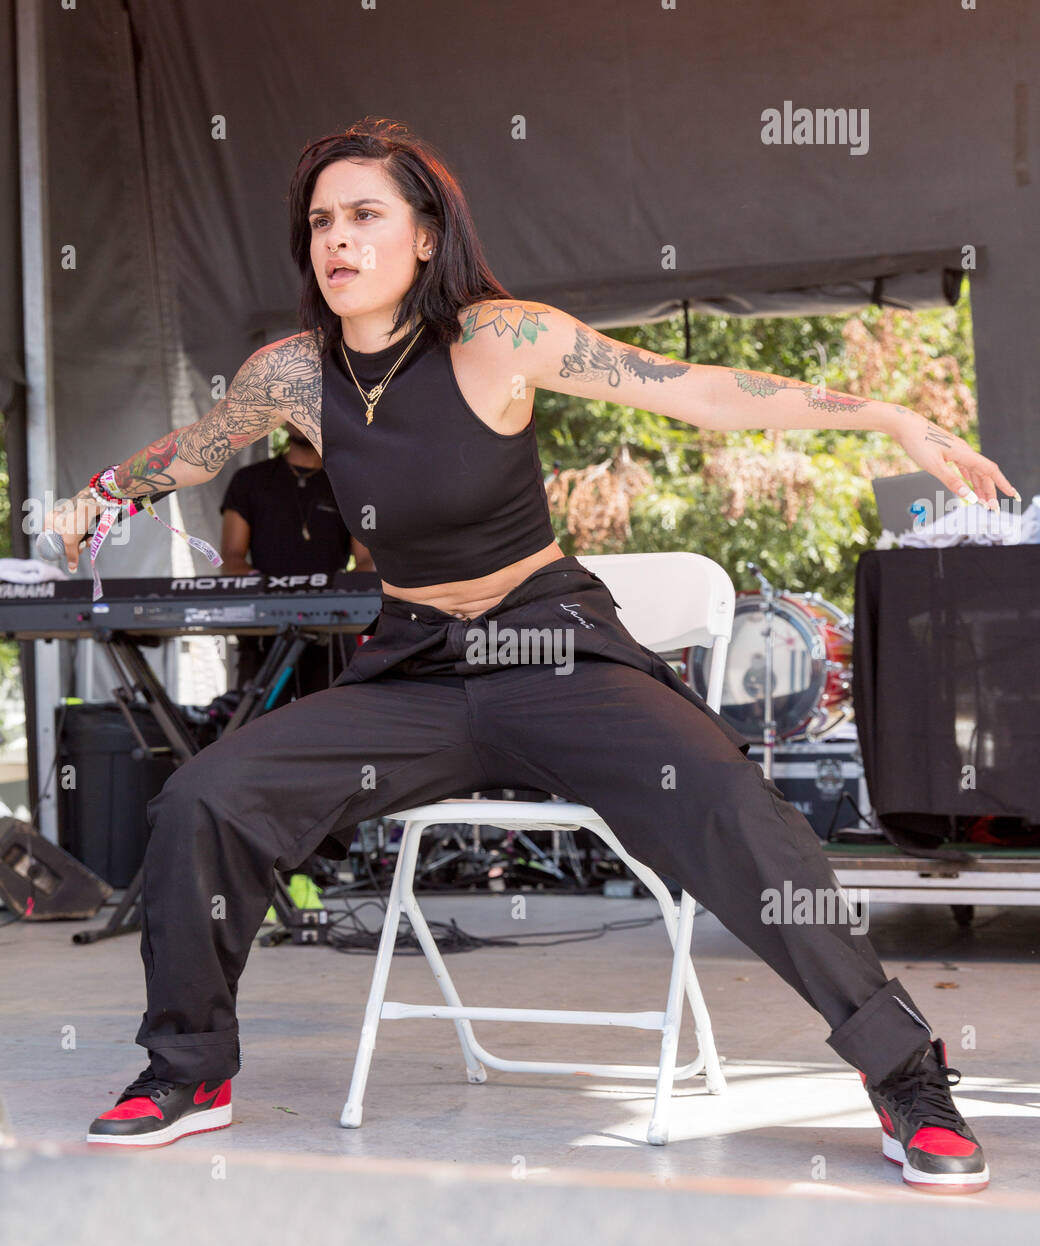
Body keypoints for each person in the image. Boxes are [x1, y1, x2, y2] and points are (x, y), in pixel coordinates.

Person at [44, 117, 1017, 1190]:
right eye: (321, 220)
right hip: (412, 664)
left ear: (423, 235)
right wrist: (93, 500)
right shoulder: (290, 375)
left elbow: (691, 389)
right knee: (204, 794)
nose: (338, 239)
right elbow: (201, 443)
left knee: (728, 804)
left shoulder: (499, 338)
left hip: (551, 648)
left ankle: (904, 1077)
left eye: (366, 215)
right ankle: (187, 1070)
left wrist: (881, 414)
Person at [218, 422, 376, 703]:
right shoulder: (249, 480)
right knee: (256, 724)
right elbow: (231, 558)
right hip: (264, 628)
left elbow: (366, 561)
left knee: (328, 722)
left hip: (331, 628)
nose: (299, 418)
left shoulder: (350, 483)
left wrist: (339, 595)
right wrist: (270, 593)